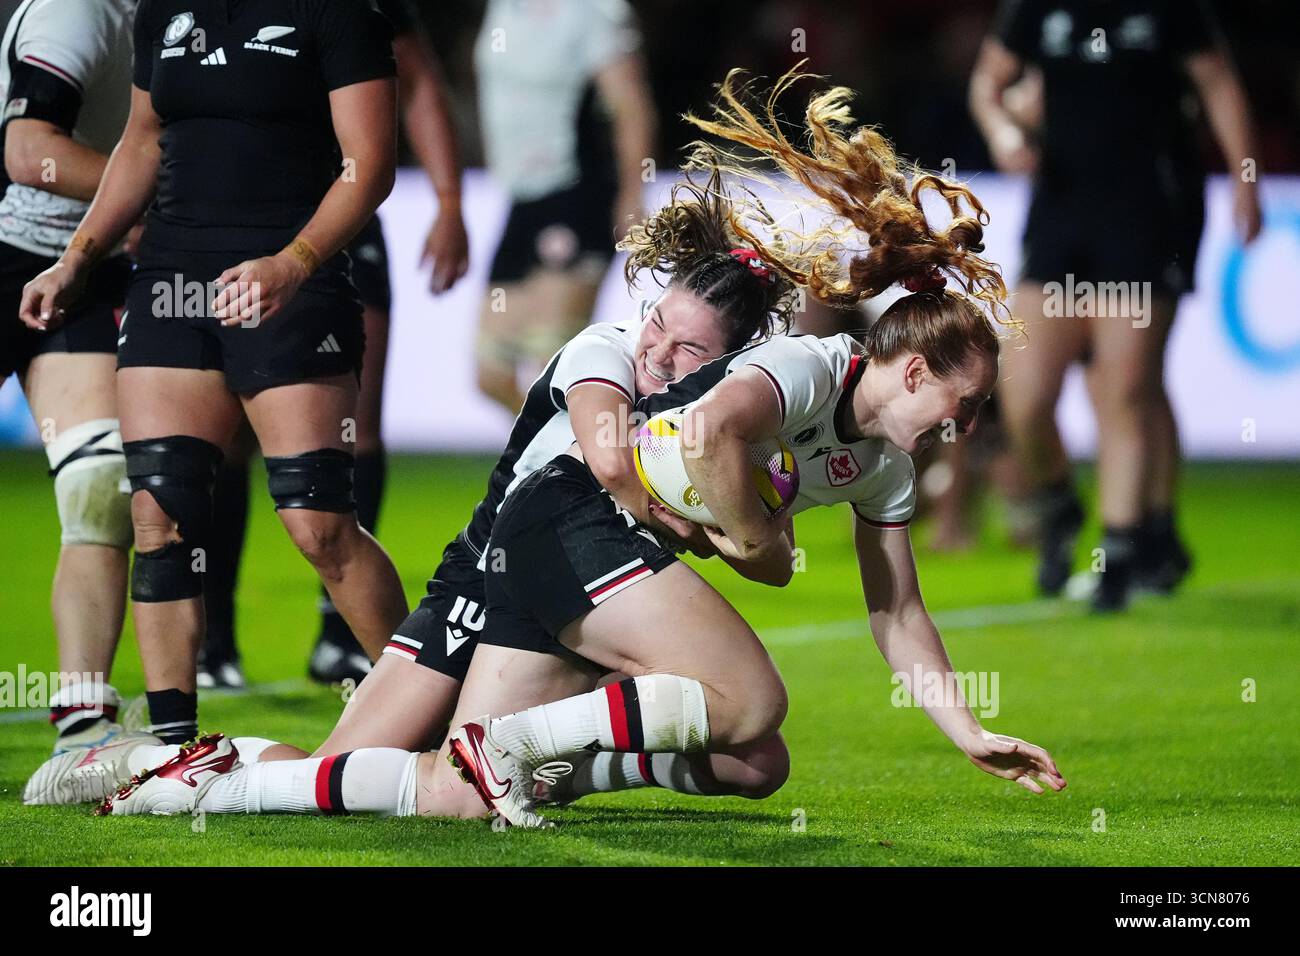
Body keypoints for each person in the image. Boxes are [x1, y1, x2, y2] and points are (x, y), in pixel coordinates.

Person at [92, 70, 1065, 826]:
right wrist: (753, 539)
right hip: (532, 536)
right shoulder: (738, 362)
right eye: (963, 402)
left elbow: (896, 609)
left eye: (691, 352)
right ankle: (510, 750)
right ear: (908, 370)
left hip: (581, 559)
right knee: (747, 696)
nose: (665, 358)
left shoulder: (879, 462)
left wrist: (965, 726)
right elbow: (646, 453)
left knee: (707, 763)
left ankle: (197, 779)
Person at [27, 159, 798, 808]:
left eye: (687, 348)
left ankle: (533, 762)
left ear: (731, 361)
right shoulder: (605, 348)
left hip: (596, 603)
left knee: (753, 762)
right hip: (491, 585)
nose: (657, 350)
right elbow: (609, 461)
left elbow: (770, 563)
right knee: (335, 775)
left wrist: (750, 519)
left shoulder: (727, 419)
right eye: (658, 321)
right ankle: (148, 766)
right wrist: (712, 524)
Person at [19, 0, 407, 747]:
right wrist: (77, 259)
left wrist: (291, 265)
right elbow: (141, 142)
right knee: (158, 516)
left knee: (319, 524)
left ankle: (429, 713)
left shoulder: (339, 14)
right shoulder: (162, 10)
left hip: (292, 283)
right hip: (171, 284)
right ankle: (176, 749)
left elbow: (370, 167)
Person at [196, 0, 471, 689]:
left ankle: (340, 638)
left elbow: (420, 81)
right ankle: (214, 641)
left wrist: (448, 202)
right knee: (222, 438)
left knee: (357, 427)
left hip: (340, 216)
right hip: (232, 217)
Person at [969, 0, 1264, 610]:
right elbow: (988, 81)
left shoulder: (1170, 12)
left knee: (1125, 385)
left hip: (1149, 213)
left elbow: (1218, 83)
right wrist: (1003, 131)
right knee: (1024, 394)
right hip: (1061, 216)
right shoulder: (1035, 10)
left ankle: (1124, 548)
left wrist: (1246, 179)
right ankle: (1060, 508)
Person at [0, 0, 135, 756]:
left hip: (79, 265)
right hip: (12, 245)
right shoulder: (78, 10)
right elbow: (29, 152)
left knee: (99, 481)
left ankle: (82, 719)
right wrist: (149, 199)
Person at [472, 0, 656, 412]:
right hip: (522, 201)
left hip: (578, 197)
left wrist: (632, 194)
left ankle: (583, 463)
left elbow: (631, 107)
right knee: (490, 373)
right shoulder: (504, 8)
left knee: (551, 365)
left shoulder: (594, 11)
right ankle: (558, 455)